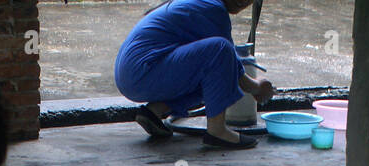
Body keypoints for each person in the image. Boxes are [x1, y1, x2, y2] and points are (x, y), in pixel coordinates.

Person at [115, 0, 275, 149]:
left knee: (209, 74)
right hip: (143, 71)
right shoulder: (215, 9)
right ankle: (217, 131)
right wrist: (258, 87)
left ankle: (153, 112)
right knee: (221, 49)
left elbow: (223, 70)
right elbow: (232, 66)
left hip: (130, 75)